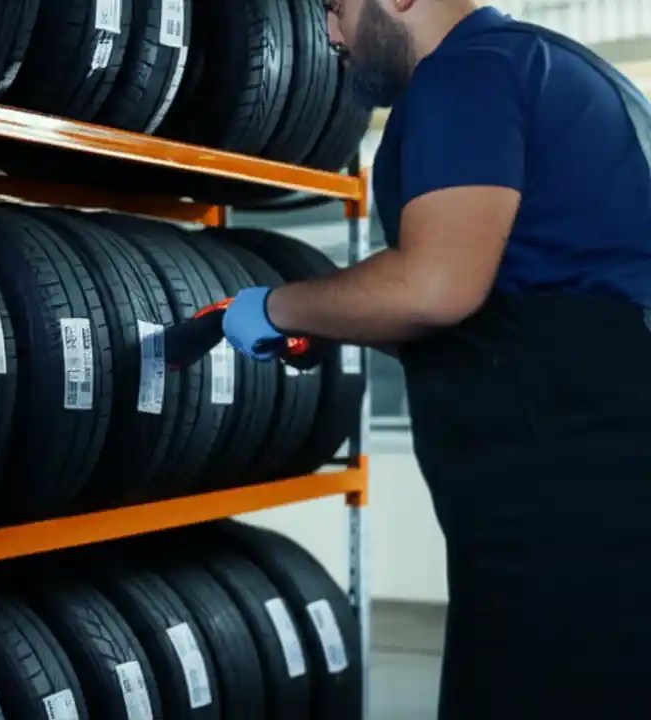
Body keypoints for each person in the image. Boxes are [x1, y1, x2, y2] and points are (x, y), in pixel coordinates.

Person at [223, 1, 651, 718]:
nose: (329, 35)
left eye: (336, 9)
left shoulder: (466, 75)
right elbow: (502, 311)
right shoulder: (557, 68)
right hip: (599, 497)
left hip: (568, 521)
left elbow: (435, 287)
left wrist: (277, 306)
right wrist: (339, 322)